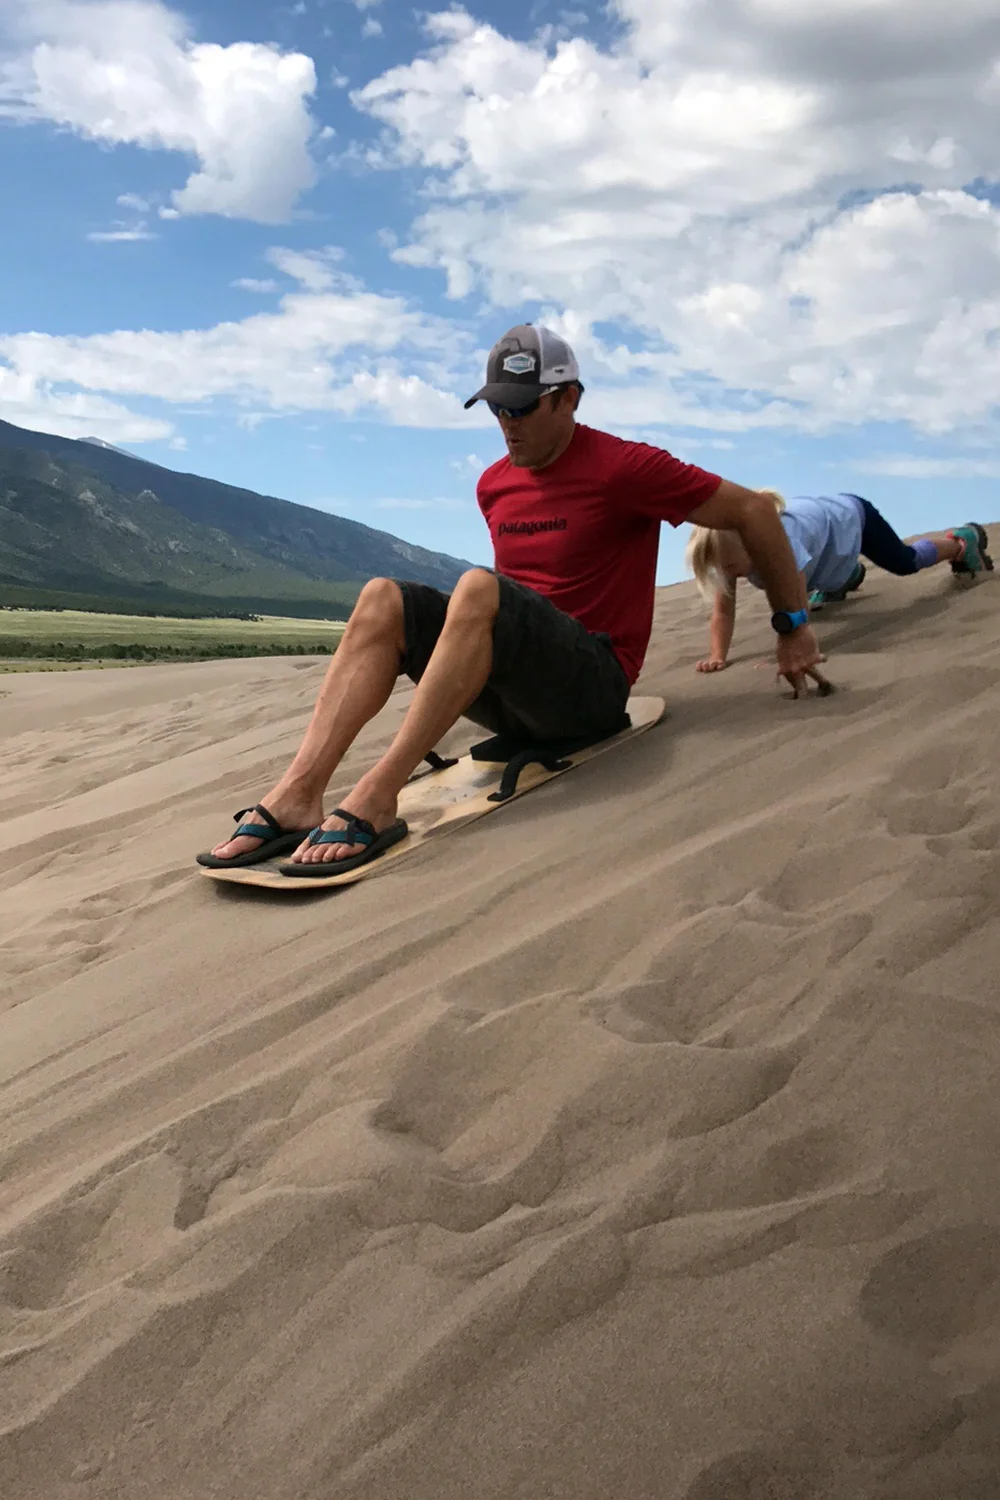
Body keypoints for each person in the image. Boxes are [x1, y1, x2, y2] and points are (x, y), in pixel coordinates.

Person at [198, 324, 827, 877]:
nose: (508, 424)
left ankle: (378, 792)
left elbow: (751, 510)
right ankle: (298, 794)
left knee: (478, 585)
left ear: (568, 399)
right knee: (381, 597)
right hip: (519, 695)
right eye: (498, 408)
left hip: (593, 691)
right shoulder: (493, 484)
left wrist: (792, 623)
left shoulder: (624, 467)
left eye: (524, 408)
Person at [687, 490, 990, 673]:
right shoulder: (730, 552)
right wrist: (717, 656)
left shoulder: (781, 543)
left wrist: (793, 645)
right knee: (810, 581)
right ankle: (847, 575)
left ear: (749, 544)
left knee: (903, 562)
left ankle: (961, 543)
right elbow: (723, 612)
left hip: (853, 517)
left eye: (728, 566)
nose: (726, 573)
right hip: (826, 546)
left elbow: (794, 605)